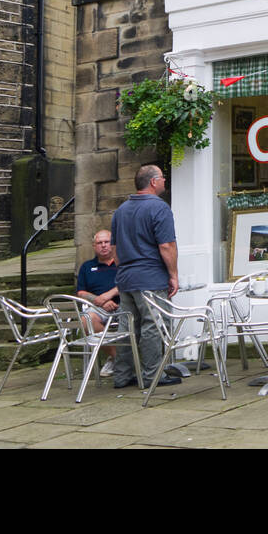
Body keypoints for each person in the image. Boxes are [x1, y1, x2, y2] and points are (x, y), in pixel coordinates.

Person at [109, 164, 181, 390]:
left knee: (127, 327)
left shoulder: (120, 210)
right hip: (150, 277)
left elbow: (114, 250)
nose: (165, 182)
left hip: (126, 278)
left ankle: (122, 376)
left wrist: (124, 271)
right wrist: (174, 275)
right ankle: (152, 376)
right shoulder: (159, 208)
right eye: (163, 178)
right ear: (153, 182)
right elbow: (167, 246)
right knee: (153, 325)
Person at [76, 229, 120, 375]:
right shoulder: (87, 267)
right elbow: (81, 292)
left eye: (106, 242)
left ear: (112, 244)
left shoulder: (122, 263)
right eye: (99, 243)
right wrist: (98, 301)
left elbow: (129, 282)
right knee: (85, 320)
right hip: (98, 308)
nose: (103, 245)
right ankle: (118, 357)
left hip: (123, 305)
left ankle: (123, 359)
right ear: (94, 246)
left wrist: (108, 295)